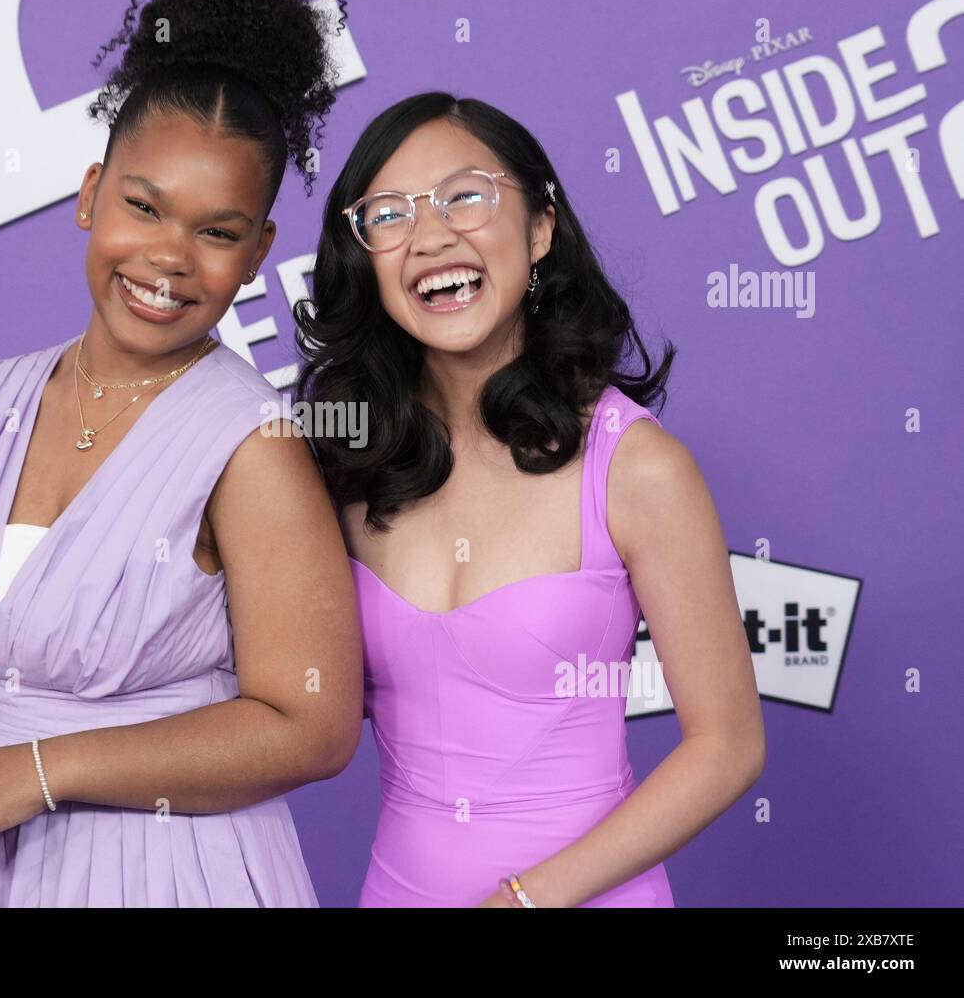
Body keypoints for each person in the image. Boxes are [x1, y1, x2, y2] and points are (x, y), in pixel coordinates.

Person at [0, 0, 362, 908]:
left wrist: (35, 772)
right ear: (92, 194)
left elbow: (313, 725)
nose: (169, 258)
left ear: (258, 251)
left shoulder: (251, 447)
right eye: (144, 207)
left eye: (218, 232)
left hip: (169, 875)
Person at [295, 93, 766, 907]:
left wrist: (522, 902)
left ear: (541, 228)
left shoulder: (635, 466)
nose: (432, 235)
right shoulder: (346, 464)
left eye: (465, 196)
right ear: (364, 255)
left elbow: (726, 746)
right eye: (390, 214)